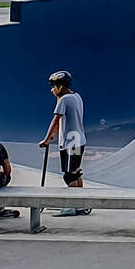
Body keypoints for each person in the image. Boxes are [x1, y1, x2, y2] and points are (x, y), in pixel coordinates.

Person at [39, 70, 90, 215]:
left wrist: (47, 139)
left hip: (70, 143)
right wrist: (55, 136)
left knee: (69, 175)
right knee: (76, 173)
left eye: (53, 86)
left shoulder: (64, 100)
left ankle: (72, 206)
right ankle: (80, 204)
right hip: (79, 140)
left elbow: (55, 120)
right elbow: (65, 120)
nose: (52, 90)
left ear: (60, 86)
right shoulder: (76, 97)